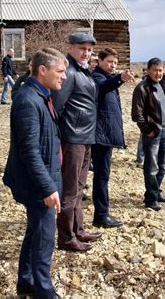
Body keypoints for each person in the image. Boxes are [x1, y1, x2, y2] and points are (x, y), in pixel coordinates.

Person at [2, 47, 67, 298]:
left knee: (35, 231)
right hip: (38, 183)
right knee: (43, 237)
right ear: (43, 70)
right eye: (59, 71)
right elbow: (29, 151)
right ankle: (43, 290)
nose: (63, 76)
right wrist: (48, 187)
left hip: (42, 178)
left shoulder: (40, 94)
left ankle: (26, 281)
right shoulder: (28, 100)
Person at [52, 33, 101, 252]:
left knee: (79, 188)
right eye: (82, 48)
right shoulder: (69, 73)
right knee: (70, 190)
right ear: (70, 47)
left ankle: (78, 229)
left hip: (85, 137)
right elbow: (57, 108)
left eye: (89, 50)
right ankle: (66, 237)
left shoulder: (83, 71)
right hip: (72, 138)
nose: (86, 53)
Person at [91, 48, 134, 227]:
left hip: (105, 135)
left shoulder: (107, 77)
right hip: (100, 136)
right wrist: (119, 79)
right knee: (101, 176)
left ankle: (101, 214)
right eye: (109, 62)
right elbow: (103, 87)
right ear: (100, 61)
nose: (112, 65)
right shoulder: (97, 78)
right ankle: (101, 216)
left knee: (103, 175)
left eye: (115, 63)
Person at [132, 58, 165, 211]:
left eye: (161, 70)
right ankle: (150, 199)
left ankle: (156, 192)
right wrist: (147, 130)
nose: (158, 73)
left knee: (163, 165)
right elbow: (136, 114)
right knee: (151, 167)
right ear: (148, 70)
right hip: (153, 132)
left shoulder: (163, 84)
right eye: (155, 70)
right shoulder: (142, 88)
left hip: (164, 130)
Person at [134, 71, 165, 167]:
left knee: (162, 162)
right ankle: (140, 160)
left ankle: (143, 160)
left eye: (160, 71)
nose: (158, 74)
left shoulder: (163, 86)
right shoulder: (144, 87)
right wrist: (146, 128)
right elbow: (137, 112)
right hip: (150, 123)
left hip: (163, 124)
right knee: (144, 140)